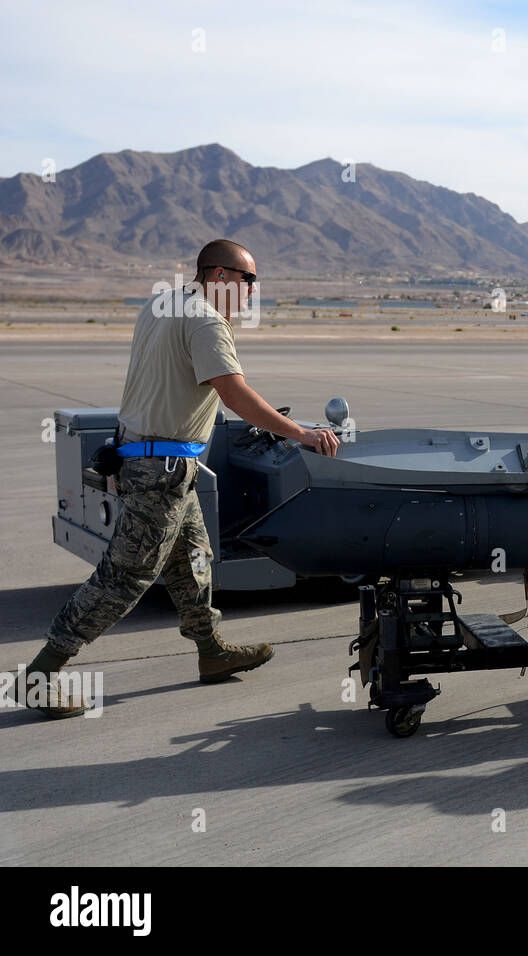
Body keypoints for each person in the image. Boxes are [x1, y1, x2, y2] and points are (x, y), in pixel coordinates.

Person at [25, 239, 340, 718]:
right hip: (162, 471)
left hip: (152, 460)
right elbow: (233, 394)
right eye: (247, 280)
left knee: (192, 557)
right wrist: (301, 433)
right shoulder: (206, 320)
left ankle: (210, 650)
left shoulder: (165, 302)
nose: (254, 291)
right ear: (217, 276)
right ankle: (41, 673)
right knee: (124, 578)